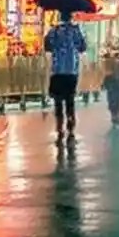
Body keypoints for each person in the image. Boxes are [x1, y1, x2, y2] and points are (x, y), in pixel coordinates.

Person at [44, 9, 88, 142]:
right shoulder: (76, 30)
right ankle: (71, 127)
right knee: (70, 101)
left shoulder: (54, 31)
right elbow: (82, 47)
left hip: (57, 71)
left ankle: (59, 128)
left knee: (58, 102)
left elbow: (47, 46)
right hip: (71, 71)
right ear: (70, 17)